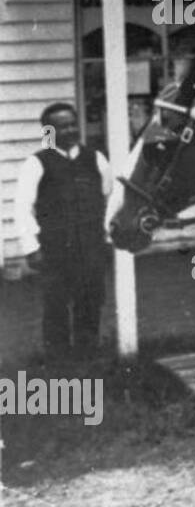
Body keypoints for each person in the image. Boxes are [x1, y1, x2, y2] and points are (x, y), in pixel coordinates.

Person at [12, 102, 114, 359]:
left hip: (90, 245)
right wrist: (31, 248)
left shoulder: (96, 159)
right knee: (56, 304)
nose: (70, 130)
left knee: (91, 300)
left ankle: (88, 353)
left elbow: (108, 198)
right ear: (49, 131)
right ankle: (58, 359)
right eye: (62, 126)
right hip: (55, 248)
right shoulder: (37, 163)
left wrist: (107, 238)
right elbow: (22, 208)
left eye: (72, 124)